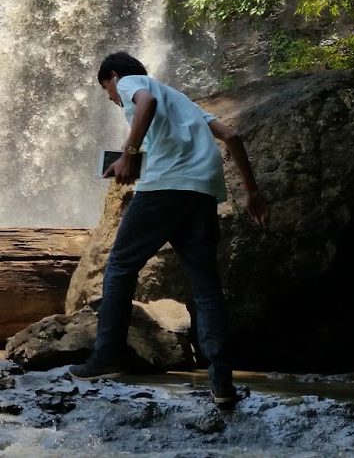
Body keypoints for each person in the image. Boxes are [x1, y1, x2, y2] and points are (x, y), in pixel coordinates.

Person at [69, 51, 269, 409]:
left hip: (165, 189)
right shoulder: (185, 103)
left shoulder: (134, 82)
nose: (114, 100)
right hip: (201, 193)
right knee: (206, 285)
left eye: (108, 92)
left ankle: (107, 358)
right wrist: (253, 192)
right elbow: (233, 135)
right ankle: (222, 383)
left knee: (120, 267)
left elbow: (142, 100)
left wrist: (129, 153)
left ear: (113, 76)